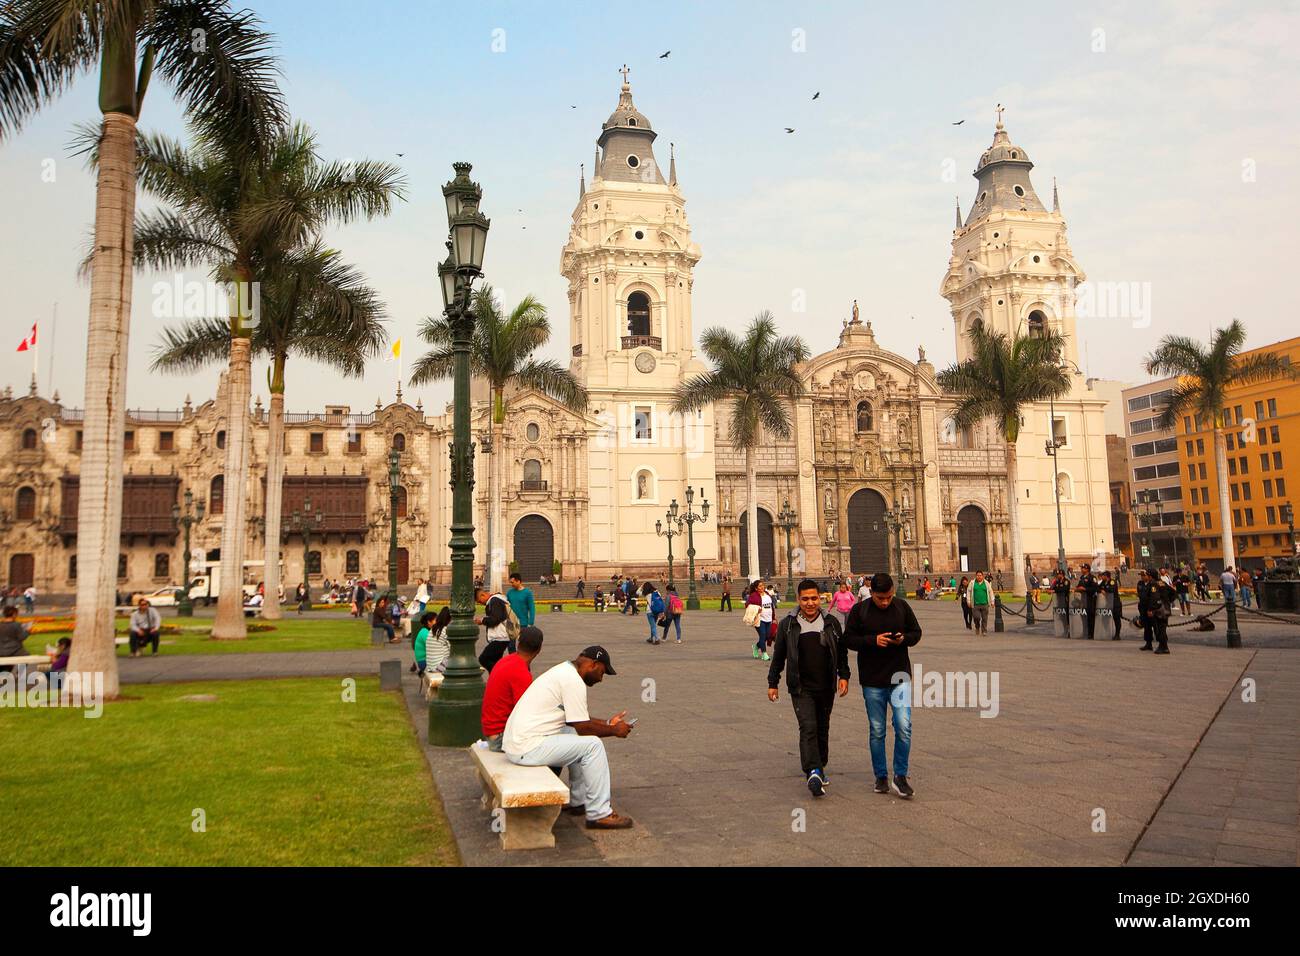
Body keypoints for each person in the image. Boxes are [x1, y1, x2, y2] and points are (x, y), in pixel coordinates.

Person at [502, 645, 634, 830]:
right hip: (525, 747)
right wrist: (614, 731)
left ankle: (578, 801)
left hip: (520, 741)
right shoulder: (573, 681)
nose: (601, 679)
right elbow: (583, 727)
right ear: (593, 664)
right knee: (593, 745)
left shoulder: (564, 671)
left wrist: (607, 723)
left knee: (574, 734)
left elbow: (576, 721)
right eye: (602, 673)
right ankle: (600, 813)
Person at [767, 579, 851, 797]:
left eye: (814, 598)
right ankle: (812, 770)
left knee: (822, 727)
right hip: (800, 686)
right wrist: (773, 682)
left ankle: (820, 765)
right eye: (805, 599)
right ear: (798, 599)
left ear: (820, 598)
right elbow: (779, 656)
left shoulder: (831, 622)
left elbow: (841, 652)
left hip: (826, 686)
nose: (810, 603)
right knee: (808, 726)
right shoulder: (788, 624)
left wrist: (844, 676)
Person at [842, 572, 921, 799]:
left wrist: (903, 639)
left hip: (899, 677)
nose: (885, 602)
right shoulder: (860, 610)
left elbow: (916, 633)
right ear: (871, 592)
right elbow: (847, 639)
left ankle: (900, 776)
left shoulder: (902, 607)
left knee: (904, 726)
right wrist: (872, 641)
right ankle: (881, 775)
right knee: (877, 730)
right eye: (880, 598)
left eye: (888, 597)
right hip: (872, 680)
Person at [481, 625, 544, 750]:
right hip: (500, 737)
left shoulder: (507, 660)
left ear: (518, 643)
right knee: (562, 738)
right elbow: (526, 713)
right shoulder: (521, 672)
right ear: (539, 649)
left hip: (491, 730)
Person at [475, 587, 514, 672]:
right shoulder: (497, 600)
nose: (480, 603)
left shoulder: (494, 601)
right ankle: (497, 680)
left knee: (484, 659)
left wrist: (482, 620)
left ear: (483, 595)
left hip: (500, 637)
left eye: (479, 601)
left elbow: (495, 619)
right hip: (501, 636)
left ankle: (500, 676)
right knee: (495, 662)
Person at [747, 579, 776, 661]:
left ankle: (756, 646)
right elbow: (747, 605)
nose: (762, 587)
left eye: (763, 585)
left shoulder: (767, 594)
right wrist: (756, 609)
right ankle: (764, 653)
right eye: (760, 586)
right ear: (756, 588)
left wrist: (773, 618)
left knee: (767, 636)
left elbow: (771, 607)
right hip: (759, 619)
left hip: (769, 619)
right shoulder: (753, 596)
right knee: (763, 635)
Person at [1149, 570, 1174, 655]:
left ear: (1150, 576)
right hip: (1166, 608)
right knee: (1163, 628)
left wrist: (1151, 609)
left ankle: (1163, 647)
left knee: (1160, 629)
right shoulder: (1162, 583)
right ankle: (1164, 647)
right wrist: (1168, 601)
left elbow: (1154, 598)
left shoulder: (1154, 584)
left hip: (1159, 610)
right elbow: (1173, 592)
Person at [0, 606, 32, 671]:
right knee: (26, 656)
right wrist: (28, 631)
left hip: (1, 651)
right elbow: (22, 637)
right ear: (14, 614)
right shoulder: (16, 625)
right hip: (15, 650)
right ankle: (20, 674)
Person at [1075, 563, 1099, 639]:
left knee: (1091, 617)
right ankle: (1086, 632)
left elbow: (1095, 588)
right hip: (1083, 600)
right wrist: (1078, 589)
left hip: (1090, 599)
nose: (1081, 570)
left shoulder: (1092, 578)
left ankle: (1091, 633)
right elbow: (1078, 586)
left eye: (1083, 568)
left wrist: (1085, 589)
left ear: (1087, 569)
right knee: (1085, 617)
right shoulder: (1082, 577)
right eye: (1081, 568)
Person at [1100, 570, 1122, 640]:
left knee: (1116, 619)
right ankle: (1107, 632)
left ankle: (1117, 634)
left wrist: (1104, 590)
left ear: (1106, 576)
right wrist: (1101, 590)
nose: (1102, 577)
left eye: (1103, 576)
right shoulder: (1103, 582)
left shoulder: (1112, 582)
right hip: (1108, 603)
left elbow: (1111, 590)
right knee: (1105, 618)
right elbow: (1098, 587)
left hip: (1115, 603)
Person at [969, 571, 991, 635]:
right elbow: (969, 591)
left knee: (984, 618)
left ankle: (984, 631)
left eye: (980, 575)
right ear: (976, 576)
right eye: (978, 575)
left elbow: (990, 592)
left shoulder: (986, 583)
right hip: (976, 604)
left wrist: (992, 601)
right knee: (976, 617)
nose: (979, 576)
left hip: (985, 603)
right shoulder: (972, 583)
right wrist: (968, 601)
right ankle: (977, 626)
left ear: (982, 576)